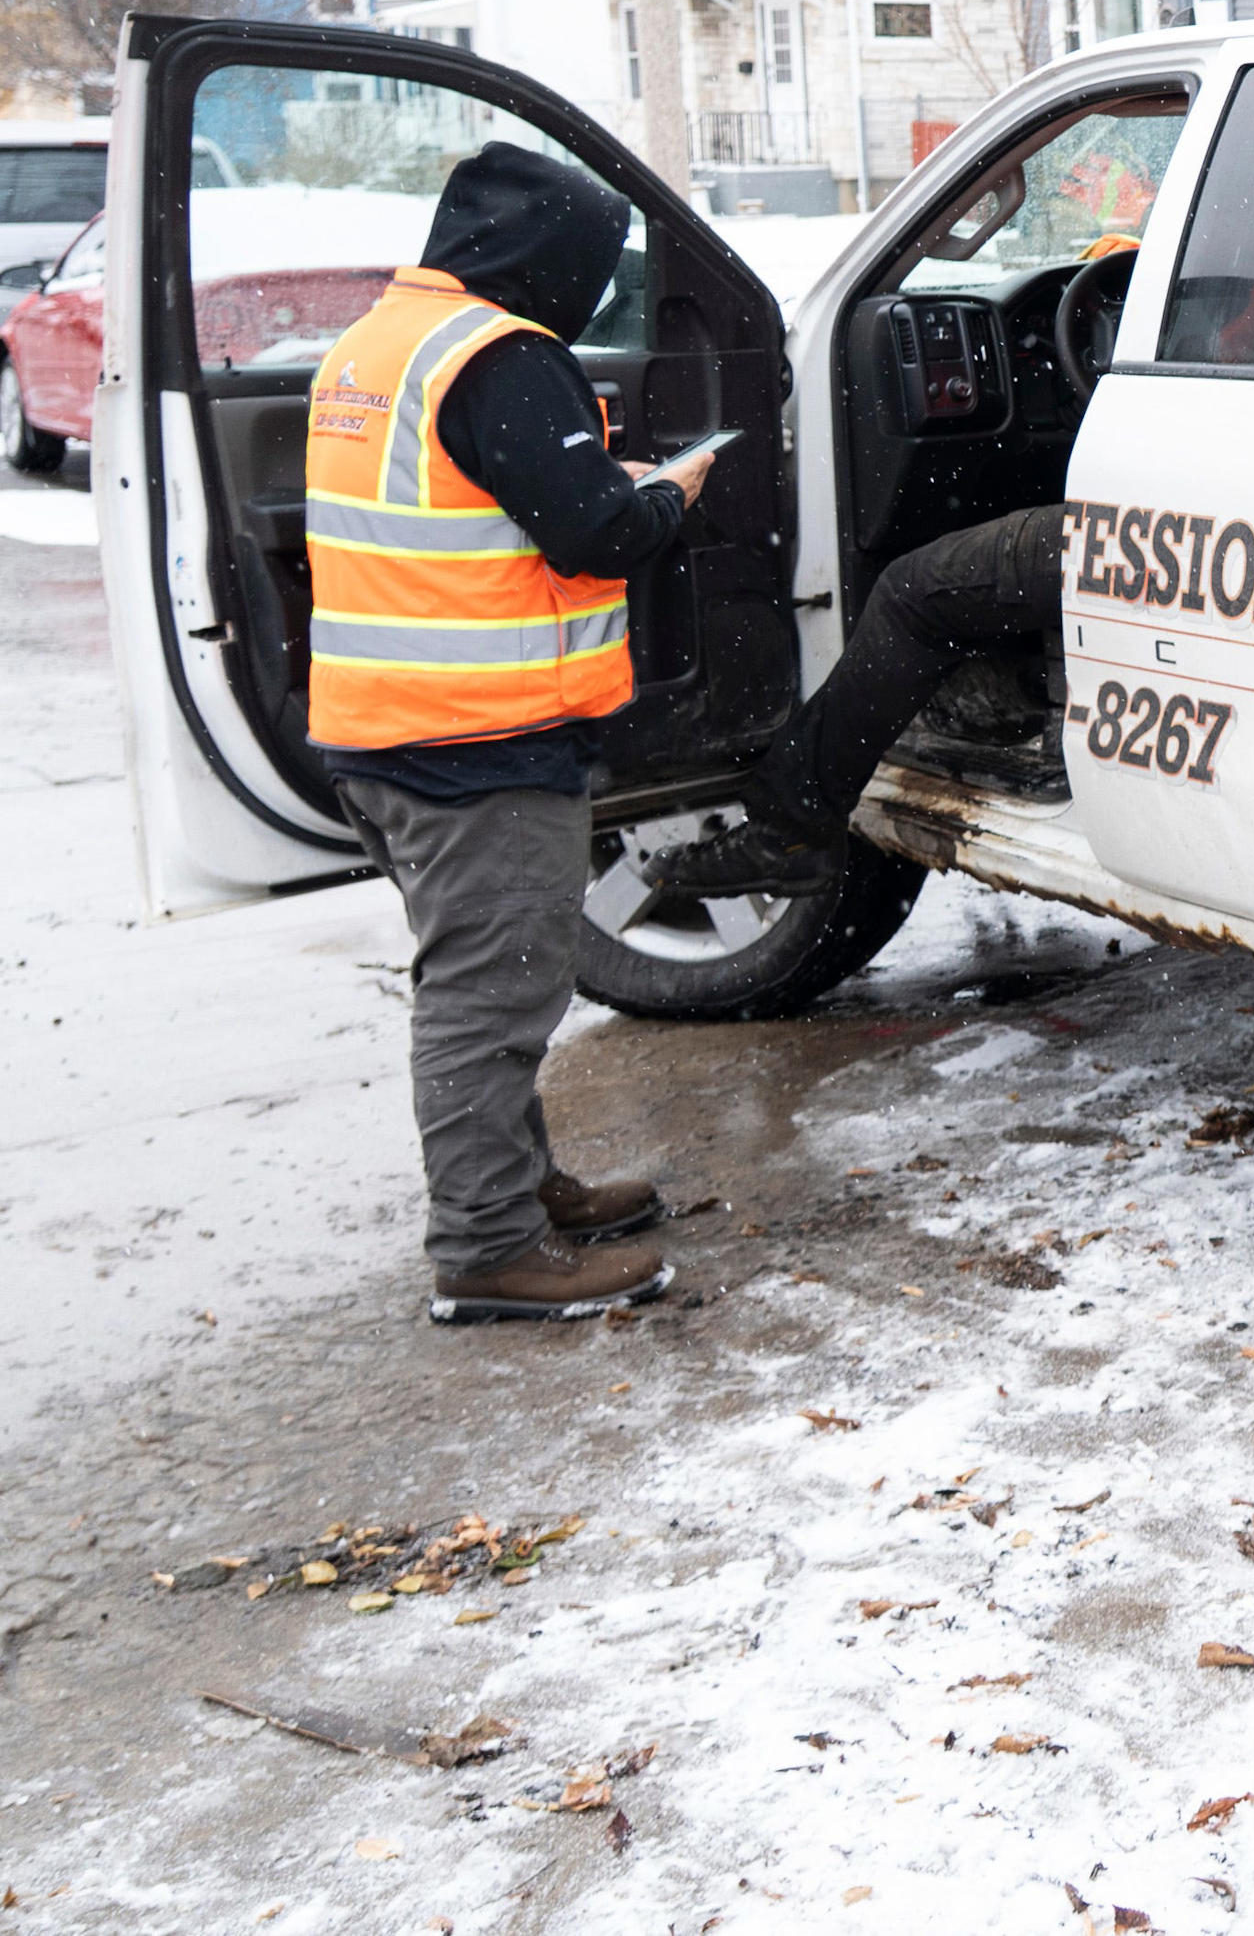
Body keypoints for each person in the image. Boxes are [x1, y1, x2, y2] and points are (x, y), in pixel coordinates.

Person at [306, 144, 717, 1323]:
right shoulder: (503, 360)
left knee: (487, 980)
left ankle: (521, 1189)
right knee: (491, 999)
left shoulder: (382, 340)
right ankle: (487, 1247)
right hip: (477, 741)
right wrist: (665, 497)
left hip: (384, 729)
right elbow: (593, 533)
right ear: (546, 263)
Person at [635, 504, 1072, 901]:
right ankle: (1040, 689)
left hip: (1118, 526)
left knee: (910, 595)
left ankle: (789, 831)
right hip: (1131, 520)